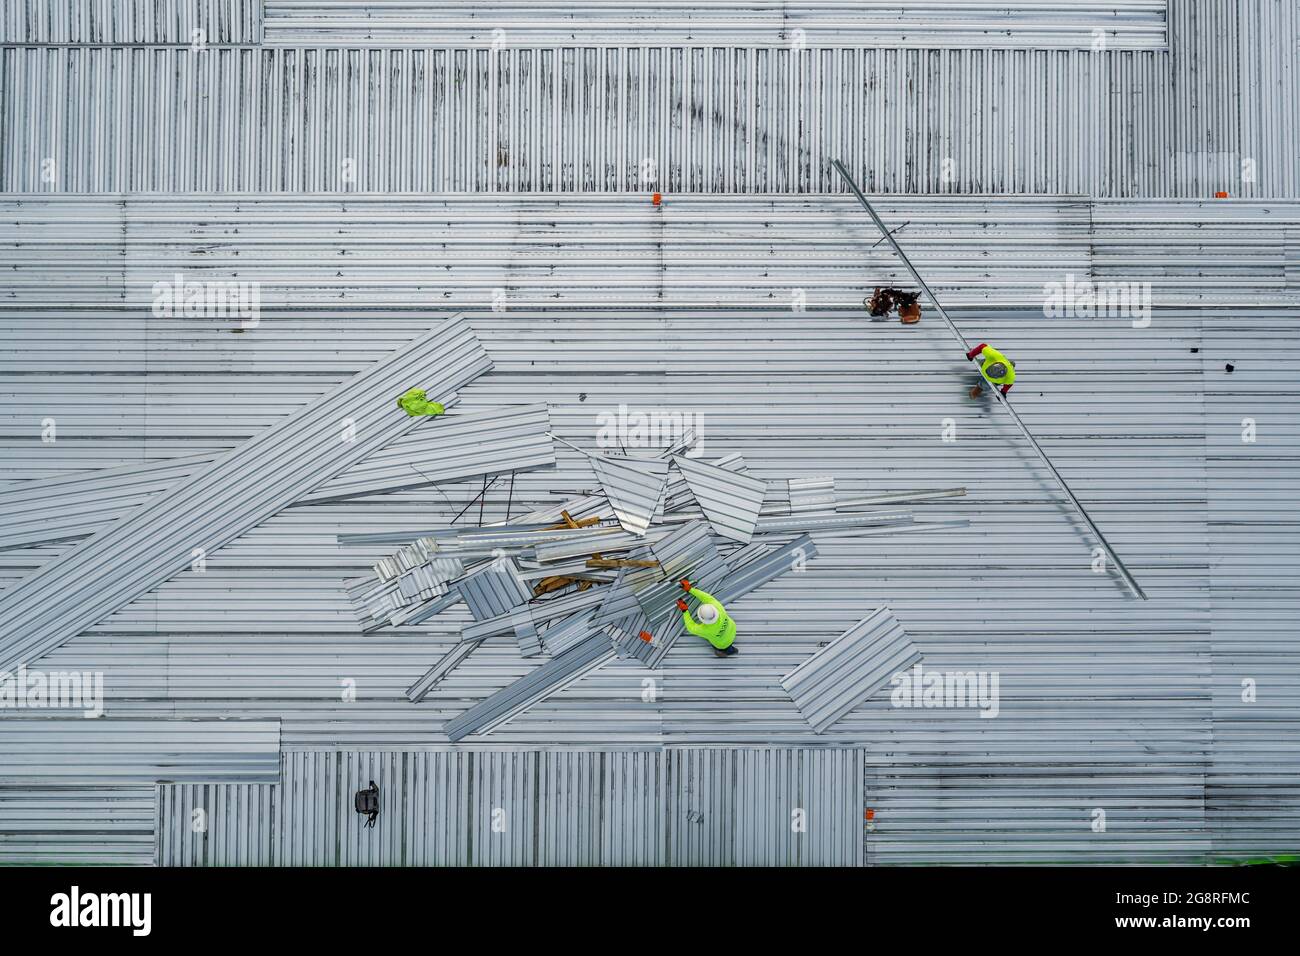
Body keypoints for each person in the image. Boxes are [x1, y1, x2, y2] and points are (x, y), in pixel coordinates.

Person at [675, 579, 738, 657]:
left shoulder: (706, 630)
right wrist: (690, 589)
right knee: (723, 639)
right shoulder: (719, 608)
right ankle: (731, 649)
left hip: (723, 644)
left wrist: (685, 611)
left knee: (720, 647)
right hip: (732, 630)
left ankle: (725, 652)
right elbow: (707, 597)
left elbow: (690, 627)